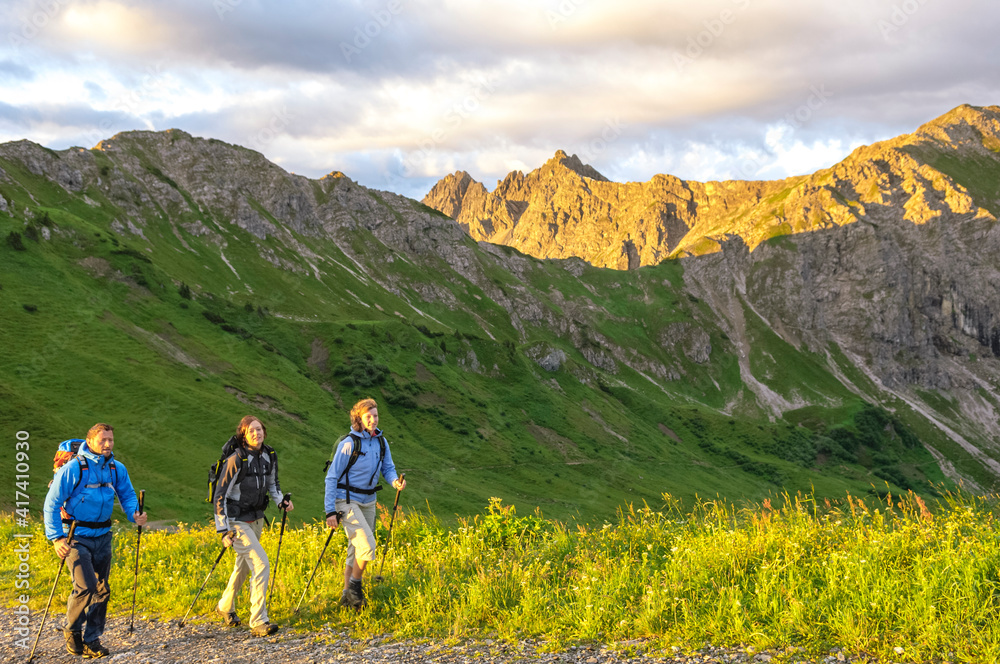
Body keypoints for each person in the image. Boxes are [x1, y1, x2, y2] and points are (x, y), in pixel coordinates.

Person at [43, 423, 147, 659]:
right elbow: (52, 503)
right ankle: (71, 630)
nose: (108, 444)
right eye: (103, 440)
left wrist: (134, 514)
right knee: (87, 587)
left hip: (103, 536)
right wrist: (56, 538)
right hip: (75, 538)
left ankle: (92, 639)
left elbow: (128, 495)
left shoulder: (116, 468)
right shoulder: (74, 468)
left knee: (102, 590)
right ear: (89, 442)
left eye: (110, 440)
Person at [213, 415, 292, 636]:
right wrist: (223, 530)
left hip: (257, 520)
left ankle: (224, 606)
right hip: (236, 522)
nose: (256, 434)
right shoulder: (236, 459)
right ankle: (258, 620)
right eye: (251, 431)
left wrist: (281, 501)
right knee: (260, 562)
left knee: (244, 566)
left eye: (259, 429)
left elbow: (273, 484)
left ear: (264, 431)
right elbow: (220, 496)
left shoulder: (269, 455)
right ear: (244, 435)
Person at [325, 397, 406, 608]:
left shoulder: (381, 441)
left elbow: (387, 468)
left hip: (369, 500)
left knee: (356, 548)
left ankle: (346, 597)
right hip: (346, 500)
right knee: (368, 547)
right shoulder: (348, 444)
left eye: (376, 415)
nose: (373, 420)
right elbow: (331, 477)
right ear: (359, 419)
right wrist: (330, 511)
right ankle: (355, 586)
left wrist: (395, 482)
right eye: (368, 416)